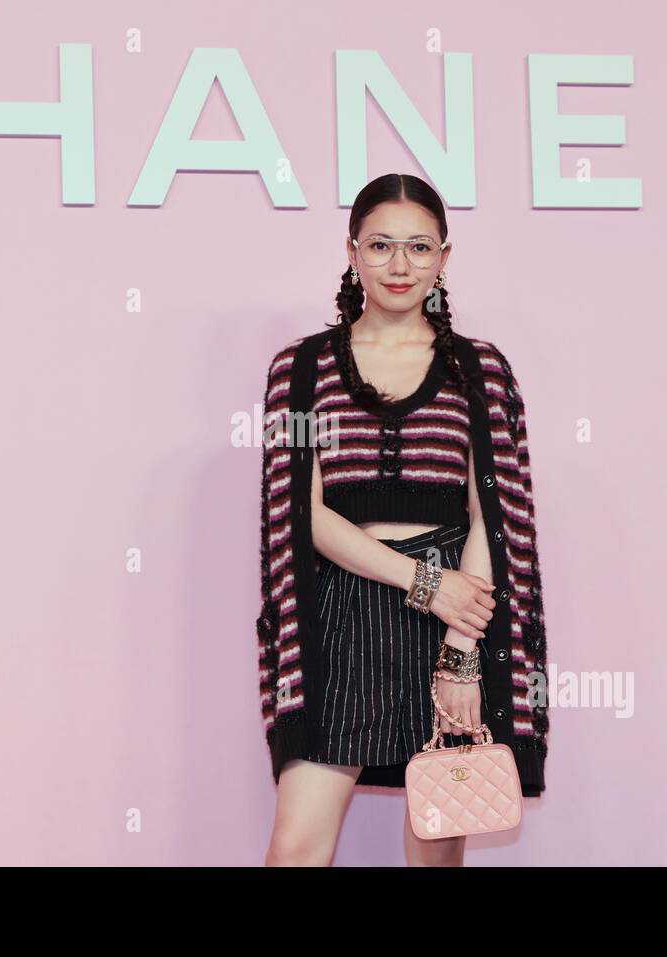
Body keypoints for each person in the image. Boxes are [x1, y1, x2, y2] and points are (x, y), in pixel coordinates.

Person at [256, 173, 550, 866]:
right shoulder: (299, 370)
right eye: (382, 244)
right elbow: (302, 510)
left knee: (436, 849)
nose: (399, 264)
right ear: (352, 251)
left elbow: (494, 514)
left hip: (451, 625)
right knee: (295, 847)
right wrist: (424, 581)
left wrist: (459, 649)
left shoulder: (481, 370)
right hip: (335, 617)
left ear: (445, 258)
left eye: (419, 248)